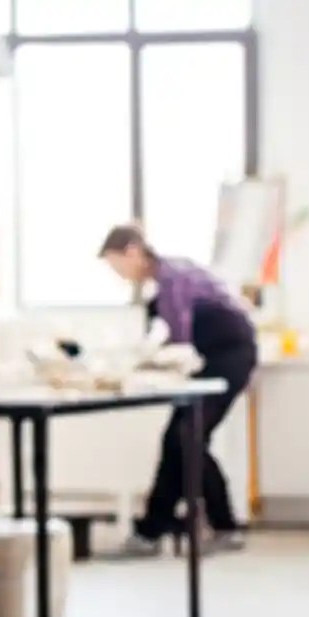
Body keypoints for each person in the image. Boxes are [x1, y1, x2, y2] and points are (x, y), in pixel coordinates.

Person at [99, 223, 257, 558]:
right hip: (212, 358)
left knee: (188, 437)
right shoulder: (164, 279)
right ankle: (151, 530)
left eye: (117, 265)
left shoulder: (173, 280)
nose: (119, 274)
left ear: (133, 252)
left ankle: (225, 526)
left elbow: (180, 344)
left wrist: (146, 367)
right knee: (176, 439)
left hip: (230, 357)